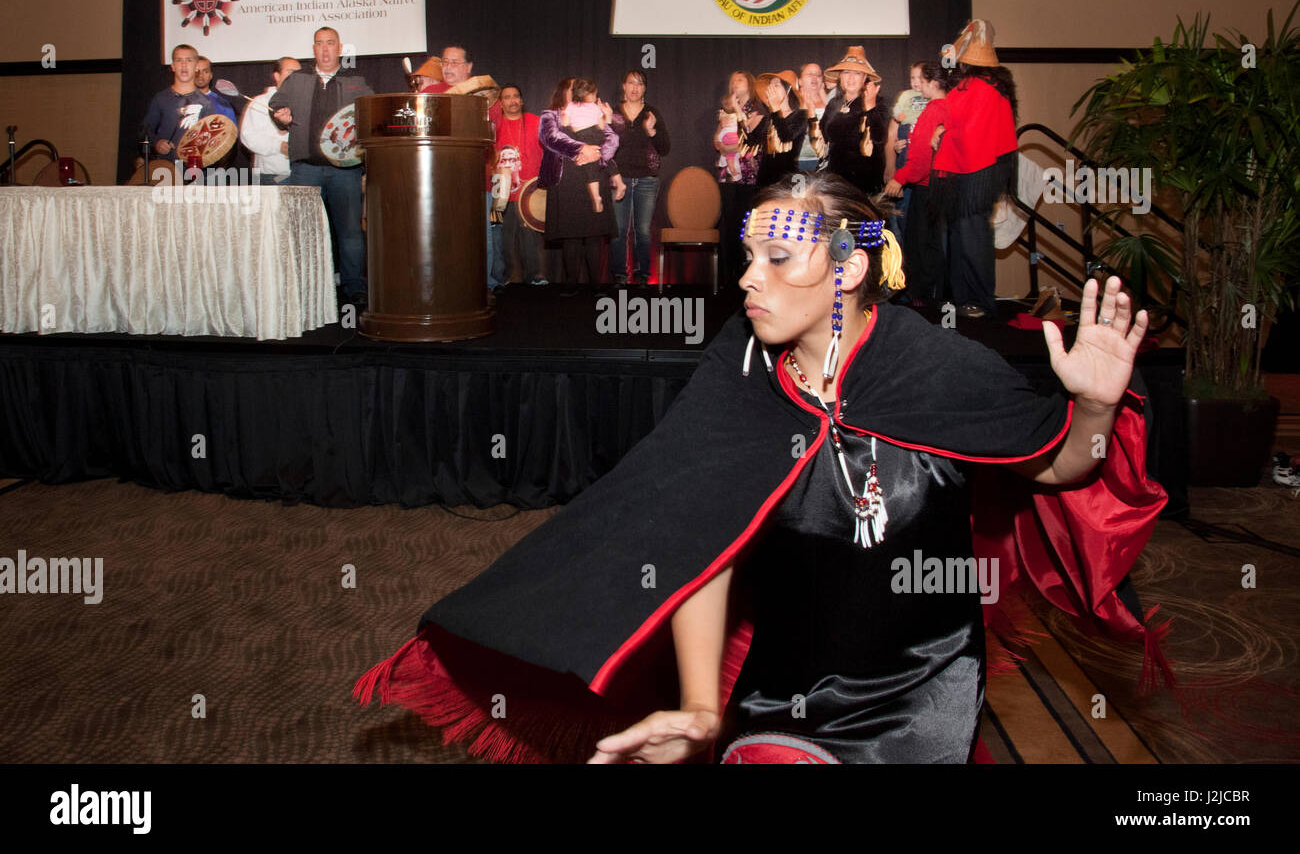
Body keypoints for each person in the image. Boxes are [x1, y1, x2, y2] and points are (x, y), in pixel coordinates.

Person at [355, 171, 1170, 765]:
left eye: (781, 261)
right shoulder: (740, 369)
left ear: (849, 271)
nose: (749, 277)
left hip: (925, 690)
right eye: (752, 255)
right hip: (783, 690)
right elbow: (693, 542)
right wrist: (701, 708)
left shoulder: (937, 369)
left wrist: (1095, 410)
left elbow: (1064, 469)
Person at [270, 27, 374, 306]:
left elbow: (372, 113)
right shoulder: (296, 80)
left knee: (350, 231)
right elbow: (276, 104)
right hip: (306, 168)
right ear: (313, 49)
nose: (325, 49)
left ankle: (355, 287)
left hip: (345, 170)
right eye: (319, 44)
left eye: (330, 43)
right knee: (304, 230)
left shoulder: (357, 81)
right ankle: (306, 285)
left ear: (340, 48)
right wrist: (280, 115)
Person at [929, 20, 1019, 320]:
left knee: (971, 234)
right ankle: (963, 296)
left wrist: (943, 133)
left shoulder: (984, 89)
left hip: (978, 172)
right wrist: (942, 130)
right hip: (963, 170)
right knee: (960, 233)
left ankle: (978, 299)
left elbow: (975, 136)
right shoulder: (967, 88)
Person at [415, 44, 506, 292]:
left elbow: (493, 132)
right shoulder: (431, 92)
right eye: (445, 61)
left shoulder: (486, 92)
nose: (448, 67)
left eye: (455, 62)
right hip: (438, 178)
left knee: (478, 233)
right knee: (442, 233)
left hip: (475, 176)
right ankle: (444, 285)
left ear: (469, 66)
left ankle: (483, 285)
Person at [543, 78, 623, 295]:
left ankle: (596, 284)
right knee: (571, 234)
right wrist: (582, 149)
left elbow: (612, 138)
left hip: (594, 176)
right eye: (572, 88)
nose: (576, 92)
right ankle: (571, 283)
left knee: (594, 234)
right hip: (568, 180)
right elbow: (550, 140)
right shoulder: (552, 116)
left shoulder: (593, 111)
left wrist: (601, 156)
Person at [884, 61, 951, 305]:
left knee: (918, 243)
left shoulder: (934, 111)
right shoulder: (950, 107)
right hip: (940, 183)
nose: (918, 85)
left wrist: (899, 178)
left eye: (921, 80)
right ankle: (933, 296)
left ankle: (921, 299)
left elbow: (922, 158)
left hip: (927, 185)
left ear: (933, 83)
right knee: (933, 242)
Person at [609, 69, 671, 286]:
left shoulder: (651, 113)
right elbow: (604, 148)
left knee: (643, 231)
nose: (635, 87)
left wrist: (652, 131)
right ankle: (619, 274)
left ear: (644, 88)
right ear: (623, 86)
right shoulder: (614, 113)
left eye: (639, 83)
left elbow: (665, 149)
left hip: (647, 179)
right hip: (619, 179)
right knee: (618, 230)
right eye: (630, 83)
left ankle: (643, 274)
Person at [818, 47, 892, 200]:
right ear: (840, 76)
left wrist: (870, 107)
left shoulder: (878, 102)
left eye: (857, 73)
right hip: (837, 178)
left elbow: (880, 137)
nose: (850, 78)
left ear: (865, 77)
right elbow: (825, 134)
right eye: (846, 72)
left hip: (866, 179)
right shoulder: (834, 103)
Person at [492, 84, 545, 286]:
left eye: (516, 96)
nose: (512, 100)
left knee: (529, 238)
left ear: (521, 100)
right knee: (500, 238)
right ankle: (502, 278)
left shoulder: (536, 122)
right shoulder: (493, 125)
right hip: (497, 191)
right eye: (507, 97)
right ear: (500, 102)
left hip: (528, 193)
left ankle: (533, 277)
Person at [715, 70, 763, 283]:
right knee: (728, 222)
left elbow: (750, 139)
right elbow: (718, 141)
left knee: (745, 222)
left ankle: (747, 270)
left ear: (750, 84)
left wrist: (730, 146)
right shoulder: (725, 109)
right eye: (733, 79)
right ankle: (728, 272)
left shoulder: (757, 109)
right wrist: (722, 145)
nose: (735, 82)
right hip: (728, 175)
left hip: (748, 175)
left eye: (740, 79)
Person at [141, 44, 212, 160]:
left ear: (196, 67)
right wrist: (157, 143)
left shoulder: (206, 102)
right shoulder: (161, 98)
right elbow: (145, 130)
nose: (184, 65)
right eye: (179, 60)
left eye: (189, 60)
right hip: (166, 169)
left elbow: (209, 139)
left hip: (194, 169)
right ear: (173, 66)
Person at [884, 61, 930, 239]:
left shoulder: (936, 99)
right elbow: (893, 131)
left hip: (928, 165)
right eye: (913, 78)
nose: (917, 82)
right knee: (904, 215)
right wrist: (892, 163)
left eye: (921, 78)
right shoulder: (905, 96)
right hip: (906, 153)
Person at [239, 56, 301, 186]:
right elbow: (248, 137)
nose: (295, 77)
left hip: (303, 175)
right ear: (277, 76)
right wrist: (279, 146)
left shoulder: (304, 102)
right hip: (272, 177)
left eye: (299, 73)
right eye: (290, 72)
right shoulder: (259, 103)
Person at [750, 70, 806, 187]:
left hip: (788, 179)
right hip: (765, 177)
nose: (771, 89)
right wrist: (739, 117)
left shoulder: (801, 115)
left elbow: (786, 137)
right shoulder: (768, 118)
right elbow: (750, 141)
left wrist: (776, 110)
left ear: (788, 89)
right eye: (770, 86)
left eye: (776, 85)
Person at [794, 62, 828, 173]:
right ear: (800, 80)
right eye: (810, 74)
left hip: (825, 161)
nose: (815, 78)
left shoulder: (829, 101)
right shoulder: (792, 102)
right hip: (798, 161)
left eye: (818, 75)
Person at [195, 57, 238, 123]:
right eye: (196, 71)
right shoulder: (181, 101)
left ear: (211, 75)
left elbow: (232, 130)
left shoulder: (222, 104)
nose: (200, 75)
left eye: (205, 71)